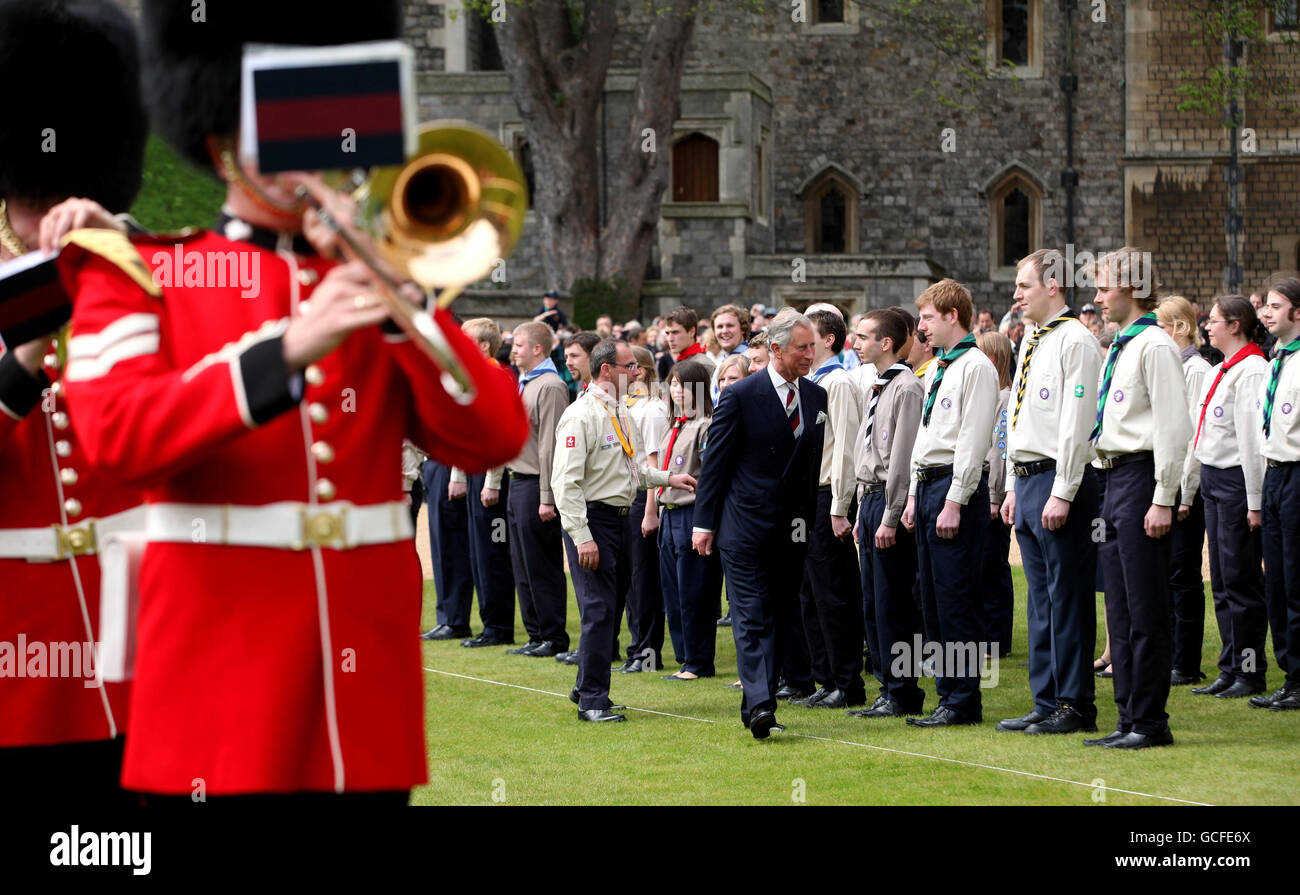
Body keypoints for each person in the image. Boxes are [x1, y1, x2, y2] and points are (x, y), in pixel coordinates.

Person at [56, 0, 528, 802]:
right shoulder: (139, 275)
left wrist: (405, 302)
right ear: (222, 140)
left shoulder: (371, 283)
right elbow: (116, 437)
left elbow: (495, 433)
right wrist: (286, 349)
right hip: (221, 694)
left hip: (361, 699)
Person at [0, 0, 149, 803]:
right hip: (17, 664)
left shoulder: (138, 288)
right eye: (34, 192)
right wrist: (23, 351)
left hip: (141, 656)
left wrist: (124, 262)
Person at [692, 308, 827, 738]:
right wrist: (703, 524)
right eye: (802, 347)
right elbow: (715, 465)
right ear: (775, 349)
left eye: (813, 346)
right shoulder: (740, 395)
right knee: (752, 617)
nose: (810, 354)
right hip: (744, 527)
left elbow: (808, 468)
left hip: (793, 530)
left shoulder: (816, 397)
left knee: (781, 615)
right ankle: (764, 704)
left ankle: (757, 702)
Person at [551, 340, 695, 721]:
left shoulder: (617, 411)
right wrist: (582, 535)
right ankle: (593, 701)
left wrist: (668, 478)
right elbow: (565, 484)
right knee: (599, 608)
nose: (636, 373)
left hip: (617, 518)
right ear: (605, 371)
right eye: (628, 366)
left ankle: (586, 687)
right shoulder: (581, 415)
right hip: (593, 520)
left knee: (610, 608)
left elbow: (630, 470)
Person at [995, 250, 1103, 736]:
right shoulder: (1034, 340)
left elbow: (1076, 423)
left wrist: (1062, 491)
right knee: (1040, 599)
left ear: (1053, 286)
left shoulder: (1076, 341)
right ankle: (1045, 699)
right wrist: (1015, 485)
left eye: (1024, 285)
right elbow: (1019, 421)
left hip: (1062, 479)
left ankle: (1075, 702)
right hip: (1031, 478)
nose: (1016, 295)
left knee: (1068, 596)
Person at [1087, 247, 1191, 749]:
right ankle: (1127, 716)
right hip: (1112, 479)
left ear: (1131, 288)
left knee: (1146, 604)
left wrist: (1163, 497)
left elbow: (1173, 427)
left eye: (1104, 287)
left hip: (1140, 478)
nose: (1098, 297)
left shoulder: (1154, 346)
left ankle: (1150, 722)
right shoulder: (1122, 346)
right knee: (1121, 609)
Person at [902, 280, 999, 727]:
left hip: (952, 488)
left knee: (957, 596)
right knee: (933, 597)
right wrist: (911, 495)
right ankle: (948, 693)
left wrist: (956, 500)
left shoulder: (975, 366)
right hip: (928, 485)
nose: (920, 326)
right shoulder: (943, 366)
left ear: (951, 316)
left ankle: (962, 699)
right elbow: (928, 436)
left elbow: (972, 440)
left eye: (926, 317)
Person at [1188, 295, 1269, 700]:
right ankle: (1230, 666)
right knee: (1220, 579)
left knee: (1242, 580)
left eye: (1214, 321)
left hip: (1237, 480)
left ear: (1235, 325)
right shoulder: (1220, 369)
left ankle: (1251, 670)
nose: (1207, 326)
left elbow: (1253, 441)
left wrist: (1255, 501)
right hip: (1214, 478)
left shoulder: (1251, 370)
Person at [850, 309, 927, 718]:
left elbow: (901, 460)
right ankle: (887, 685)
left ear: (885, 343)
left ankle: (903, 690)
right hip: (871, 498)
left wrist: (891, 515)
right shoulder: (877, 387)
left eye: (863, 336)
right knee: (873, 602)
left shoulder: (906, 389)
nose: (855, 342)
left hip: (887, 500)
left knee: (894, 603)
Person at [793, 309, 866, 709]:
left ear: (829, 341)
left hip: (827, 495)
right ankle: (824, 677)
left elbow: (845, 449)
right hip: (806, 495)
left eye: (810, 337)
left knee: (832, 590)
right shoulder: (811, 382)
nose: (803, 344)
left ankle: (846, 680)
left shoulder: (837, 382)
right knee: (809, 592)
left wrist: (840, 503)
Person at [449, 318, 518, 648]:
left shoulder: (496, 377)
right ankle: (489, 622)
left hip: (492, 476)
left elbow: (498, 433)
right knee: (478, 551)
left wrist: (491, 481)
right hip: (475, 470)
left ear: (485, 346)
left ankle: (498, 625)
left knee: (492, 551)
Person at [506, 322, 571, 658]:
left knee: (541, 563)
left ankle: (552, 635)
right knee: (522, 563)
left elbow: (550, 445)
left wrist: (547, 496)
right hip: (518, 481)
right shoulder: (526, 382)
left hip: (535, 484)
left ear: (537, 349)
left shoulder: (550, 386)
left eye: (518, 345)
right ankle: (535, 633)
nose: (513, 349)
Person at [1156, 295, 1212, 685]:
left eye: (1162, 325)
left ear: (1179, 327)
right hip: (1166, 483)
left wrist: (1186, 493)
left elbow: (1193, 438)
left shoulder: (1195, 370)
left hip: (1183, 489)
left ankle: (1186, 660)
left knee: (1183, 574)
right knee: (1167, 574)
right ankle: (1172, 653)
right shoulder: (1172, 367)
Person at [656, 360, 723, 680]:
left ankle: (698, 661)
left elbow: (709, 476)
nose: (676, 391)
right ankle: (685, 655)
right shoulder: (674, 425)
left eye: (683, 385)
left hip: (690, 515)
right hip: (668, 515)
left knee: (694, 591)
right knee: (673, 592)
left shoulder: (705, 425)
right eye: (672, 384)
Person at [1256, 277, 1300, 710]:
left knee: (1296, 576)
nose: (1266, 313)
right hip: (1274, 475)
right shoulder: (1277, 363)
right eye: (1265, 306)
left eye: (1275, 306)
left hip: (1296, 475)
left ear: (1298, 312)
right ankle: (1290, 673)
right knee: (1278, 582)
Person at [617, 345, 670, 672]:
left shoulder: (651, 409)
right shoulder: (625, 406)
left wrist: (651, 510)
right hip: (628, 496)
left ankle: (648, 652)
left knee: (644, 579)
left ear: (645, 370)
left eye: (633, 367)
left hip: (643, 498)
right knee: (631, 579)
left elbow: (653, 459)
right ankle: (636, 646)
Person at [976, 330, 1014, 661]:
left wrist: (994, 495)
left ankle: (997, 637)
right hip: (983, 484)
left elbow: (1000, 449)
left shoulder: (1004, 397)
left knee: (993, 565)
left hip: (994, 488)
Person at [419, 455, 475, 641]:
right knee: (440, 547)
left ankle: (455, 620)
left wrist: (457, 476)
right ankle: (446, 617)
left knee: (452, 546)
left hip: (448, 466)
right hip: (434, 464)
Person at [707, 304, 751, 401]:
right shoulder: (721, 361)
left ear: (743, 329)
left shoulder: (753, 359)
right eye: (719, 327)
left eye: (730, 325)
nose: (724, 331)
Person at [657, 306, 709, 381]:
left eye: (675, 332)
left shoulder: (703, 365)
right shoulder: (682, 359)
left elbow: (700, 393)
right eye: (667, 333)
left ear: (692, 332)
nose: (670, 339)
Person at [563, 331, 600, 402]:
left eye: (574, 356)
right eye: (566, 357)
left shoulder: (610, 393)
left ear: (594, 356)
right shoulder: (582, 387)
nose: (568, 363)